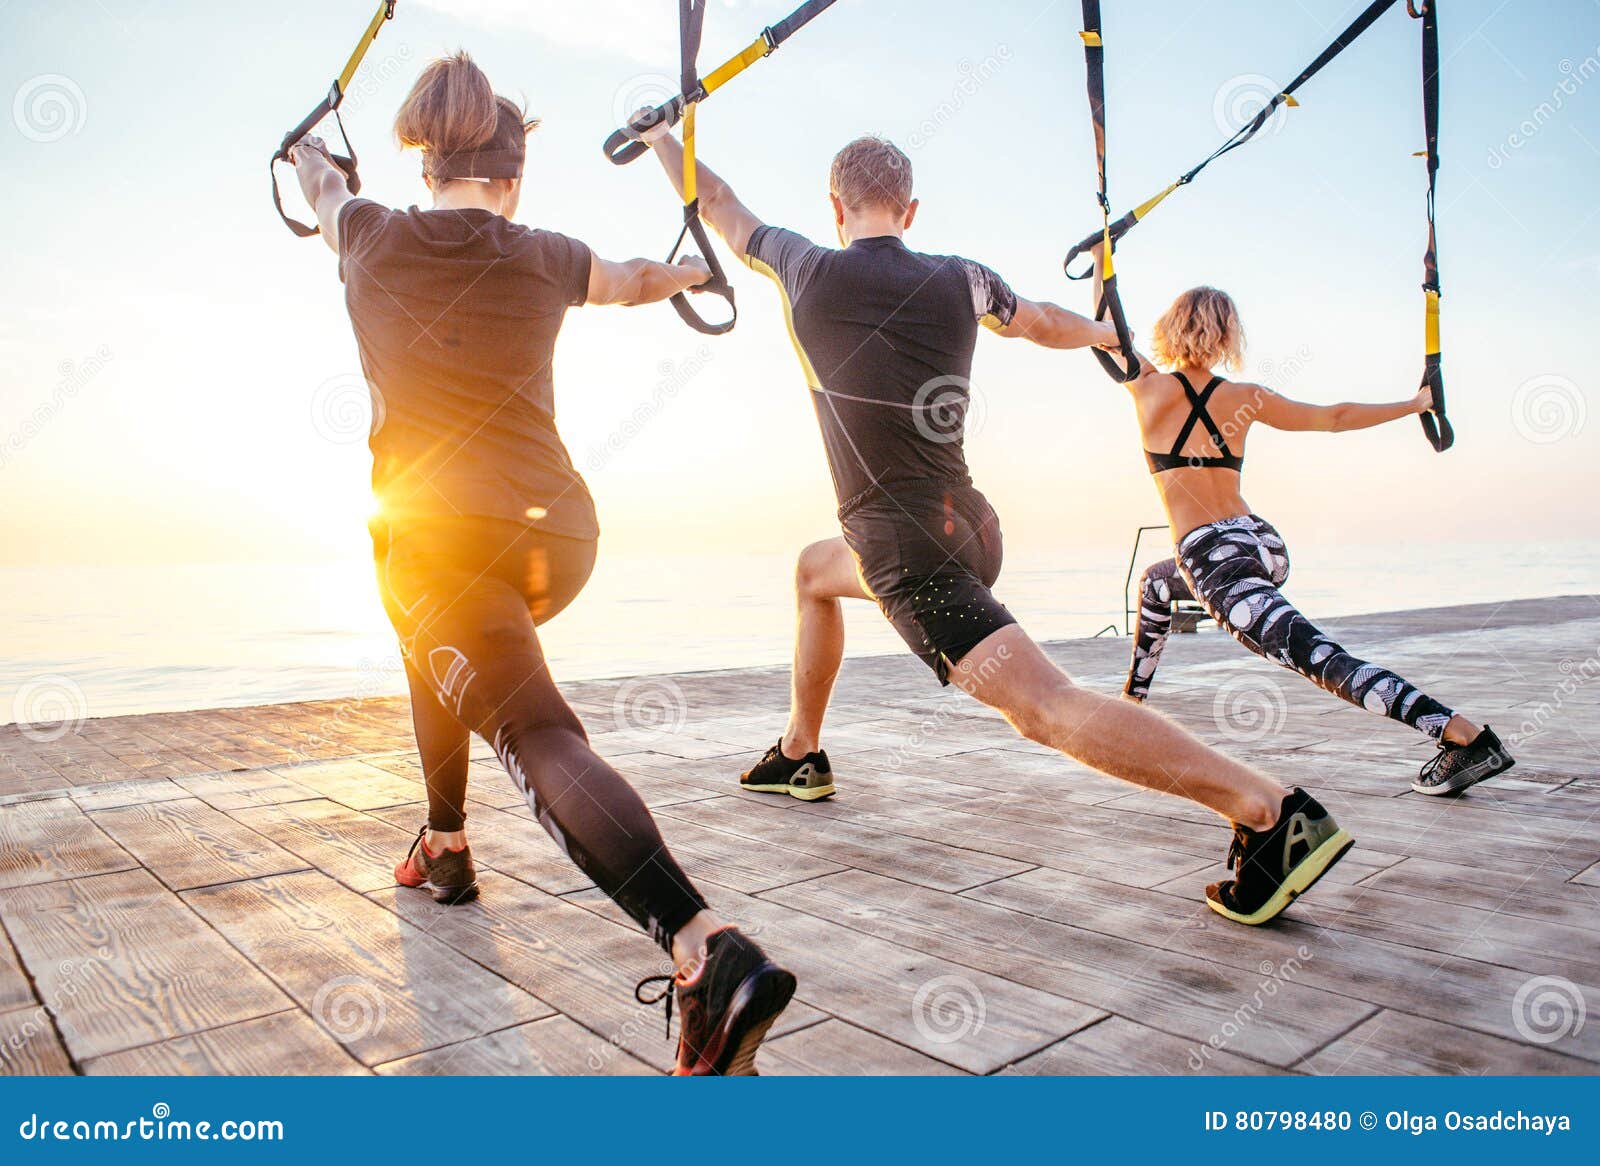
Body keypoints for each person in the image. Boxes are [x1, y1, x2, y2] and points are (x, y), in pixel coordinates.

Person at [636, 120, 1350, 926]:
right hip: (970, 526)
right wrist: (1106, 333)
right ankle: (800, 753)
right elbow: (1043, 320)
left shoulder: (803, 265)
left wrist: (663, 136)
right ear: (909, 209)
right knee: (813, 571)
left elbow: (721, 202)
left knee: (1044, 708)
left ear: (836, 207)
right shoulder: (964, 279)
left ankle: (1268, 810)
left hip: (909, 551)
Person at [289, 52, 793, 1074]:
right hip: (554, 537)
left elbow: (324, 186)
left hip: (433, 534)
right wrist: (692, 270)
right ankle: (445, 841)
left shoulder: (369, 233)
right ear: (512, 179)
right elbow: (638, 280)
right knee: (438, 640)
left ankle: (706, 949)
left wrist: (306, 145)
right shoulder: (544, 251)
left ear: (425, 163)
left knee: (528, 719)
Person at [1098, 250, 1515, 797]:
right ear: (1226, 337)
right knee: (1156, 582)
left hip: (1213, 556)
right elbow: (1335, 419)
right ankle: (1133, 703)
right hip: (1261, 542)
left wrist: (1105, 255)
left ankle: (1464, 736)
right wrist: (1415, 403)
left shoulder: (1147, 388)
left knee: (1322, 660)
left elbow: (1104, 326)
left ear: (1169, 329)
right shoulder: (1248, 397)